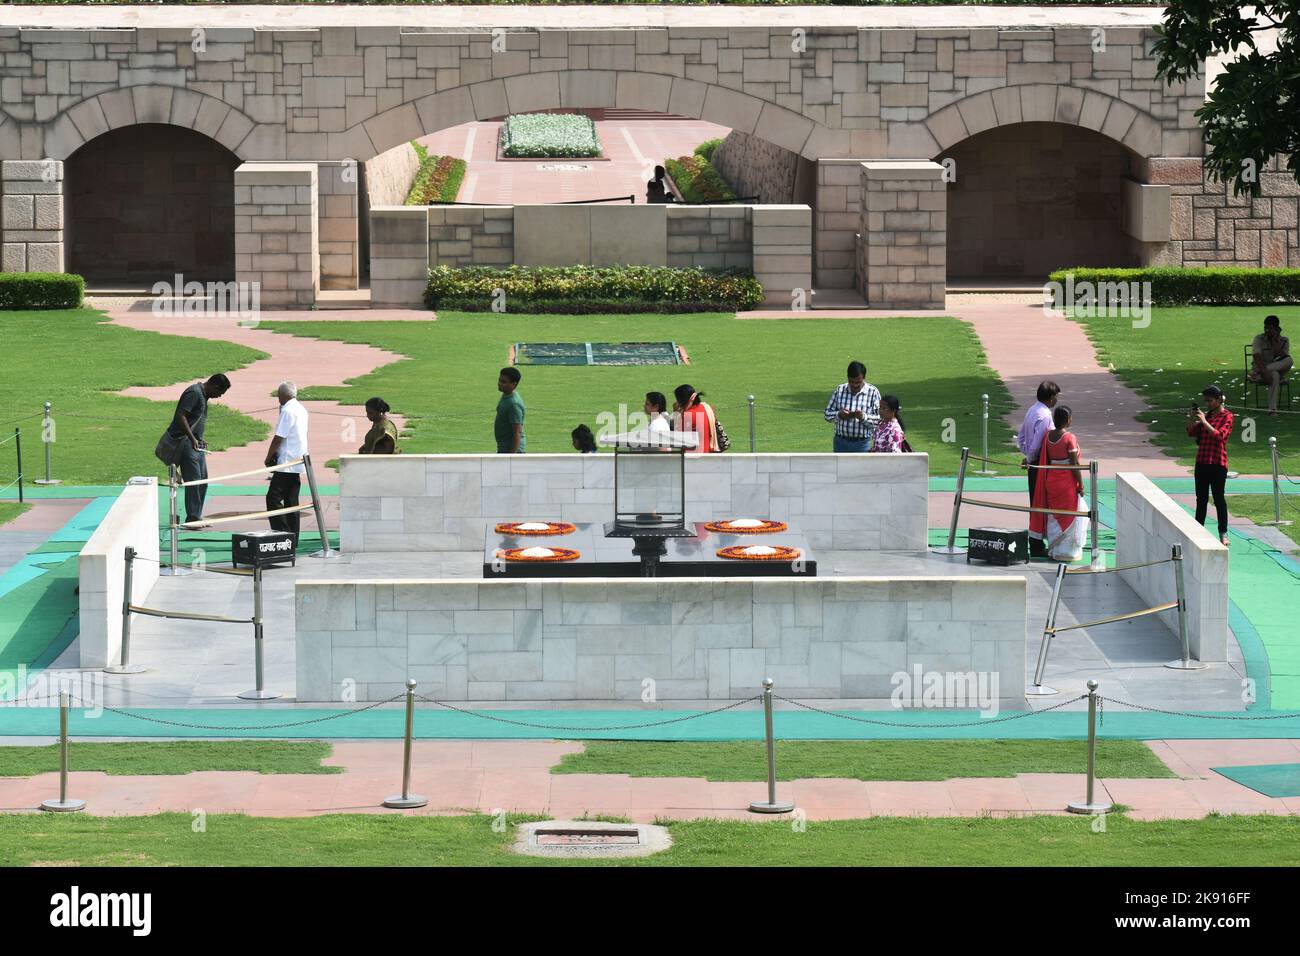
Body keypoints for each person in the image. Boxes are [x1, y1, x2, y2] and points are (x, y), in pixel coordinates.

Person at [164, 373, 231, 525]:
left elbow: (194, 420)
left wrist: (199, 439)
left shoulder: (203, 395)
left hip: (195, 444)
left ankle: (196, 516)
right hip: (187, 444)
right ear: (214, 386)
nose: (219, 396)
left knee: (202, 481)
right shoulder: (194, 393)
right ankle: (193, 517)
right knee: (194, 481)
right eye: (220, 392)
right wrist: (193, 438)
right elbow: (180, 416)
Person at [1029, 404, 1089, 562]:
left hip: (1051, 481)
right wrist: (1081, 485)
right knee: (1069, 515)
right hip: (1066, 483)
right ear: (1068, 420)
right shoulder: (1069, 438)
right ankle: (1068, 552)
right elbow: (1074, 465)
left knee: (1054, 515)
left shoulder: (1048, 437)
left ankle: (1055, 549)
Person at [1017, 380, 1061, 557]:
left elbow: (1021, 437)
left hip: (1033, 464)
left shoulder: (1032, 410)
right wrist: (1030, 457)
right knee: (1039, 504)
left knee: (1034, 503)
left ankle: (1036, 542)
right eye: (1056, 396)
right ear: (1050, 398)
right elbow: (1036, 444)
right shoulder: (1045, 416)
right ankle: (1036, 545)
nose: (1057, 400)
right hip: (1040, 466)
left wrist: (1026, 455)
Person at [1186, 385, 1234, 546]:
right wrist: (1192, 418)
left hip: (1218, 463)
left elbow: (1220, 436)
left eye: (1210, 400)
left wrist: (1205, 421)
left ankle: (1223, 532)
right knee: (1201, 499)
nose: (1207, 404)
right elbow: (1191, 432)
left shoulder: (1227, 416)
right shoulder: (1207, 416)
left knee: (1219, 498)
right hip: (1202, 462)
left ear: (1219, 399)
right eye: (1205, 401)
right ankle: (1198, 530)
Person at [264, 381, 309, 545]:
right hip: (298, 461)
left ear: (282, 395)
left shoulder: (288, 411)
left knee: (273, 498)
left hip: (287, 462)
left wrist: (268, 457)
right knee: (291, 501)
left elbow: (278, 437)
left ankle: (282, 535)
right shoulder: (301, 409)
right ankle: (293, 538)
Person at [823, 360, 881, 453]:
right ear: (847, 377)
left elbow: (879, 420)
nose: (855, 385)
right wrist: (839, 415)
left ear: (864, 378)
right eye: (851, 381)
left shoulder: (873, 392)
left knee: (861, 468)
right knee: (840, 468)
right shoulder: (840, 390)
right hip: (840, 443)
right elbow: (827, 414)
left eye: (858, 382)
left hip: (862, 444)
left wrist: (863, 417)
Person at [1249, 315, 1292, 415]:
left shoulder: (1284, 340)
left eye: (1270, 328)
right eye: (1266, 327)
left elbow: (1282, 357)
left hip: (1268, 370)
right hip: (1263, 369)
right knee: (1275, 375)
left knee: (1289, 360)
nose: (1267, 330)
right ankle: (1272, 410)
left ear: (1277, 329)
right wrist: (1264, 371)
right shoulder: (1259, 339)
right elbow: (1257, 356)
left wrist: (1274, 341)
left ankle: (1257, 373)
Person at [672, 384, 716, 453]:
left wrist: (676, 414)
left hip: (693, 458)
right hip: (707, 453)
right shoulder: (706, 407)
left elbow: (677, 438)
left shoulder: (688, 415)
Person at [495, 367, 525, 454]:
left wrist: (511, 456)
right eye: (500, 380)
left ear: (513, 384)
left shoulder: (514, 404)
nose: (499, 383)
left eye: (504, 382)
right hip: (504, 448)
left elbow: (517, 432)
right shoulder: (506, 395)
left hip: (512, 451)